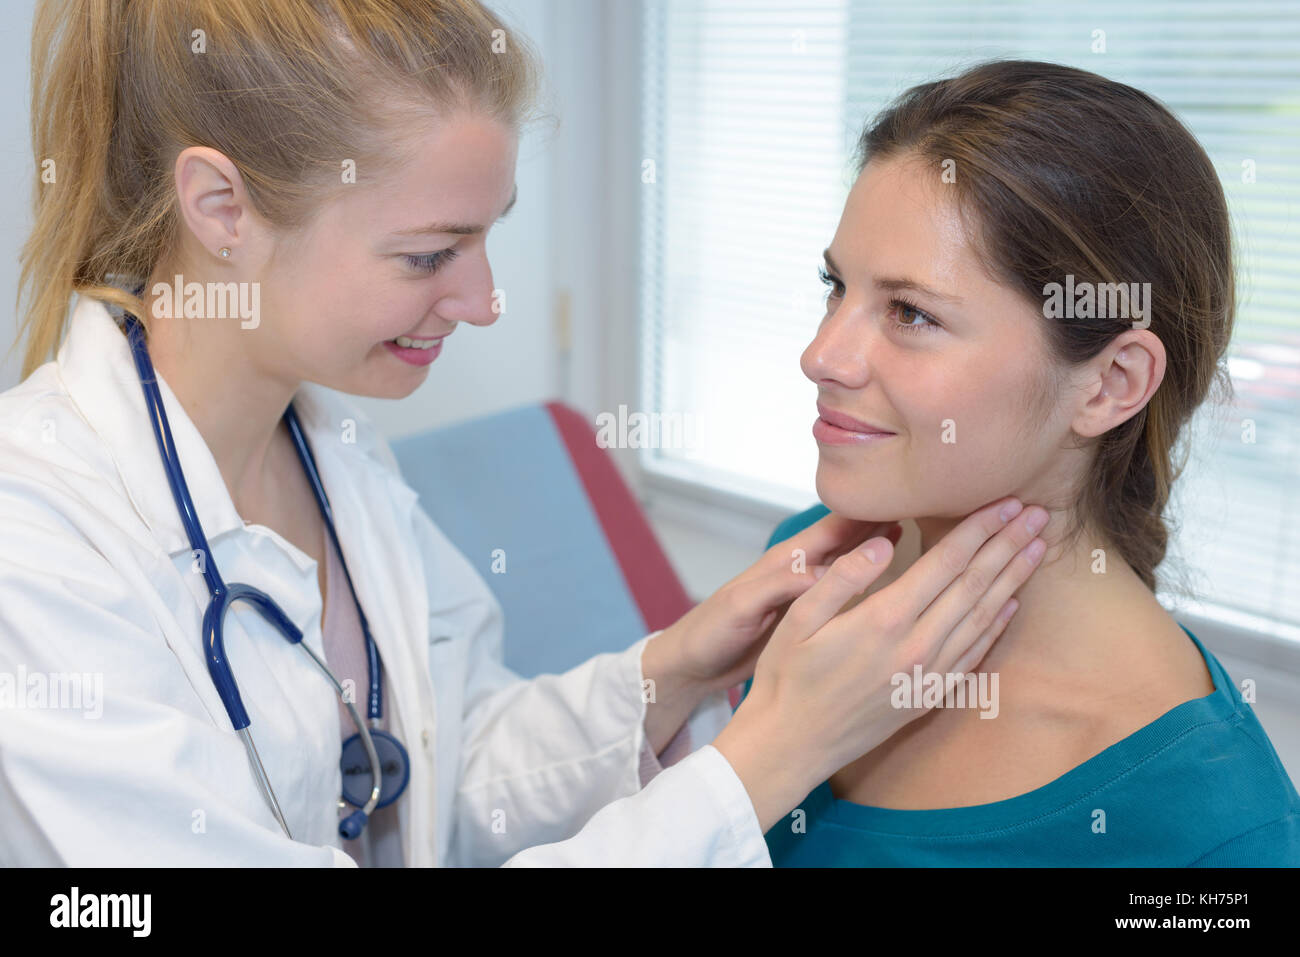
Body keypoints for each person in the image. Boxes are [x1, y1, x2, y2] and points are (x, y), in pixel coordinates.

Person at [0, 0, 1049, 867]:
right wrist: (768, 759)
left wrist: (672, 668)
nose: (484, 299)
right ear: (221, 208)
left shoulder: (333, 458)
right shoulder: (35, 538)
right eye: (427, 255)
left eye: (488, 237)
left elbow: (446, 777)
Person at [738, 59, 1300, 866]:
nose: (820, 354)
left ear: (1111, 383)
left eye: (910, 312)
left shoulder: (1216, 829)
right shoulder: (814, 570)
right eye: (836, 285)